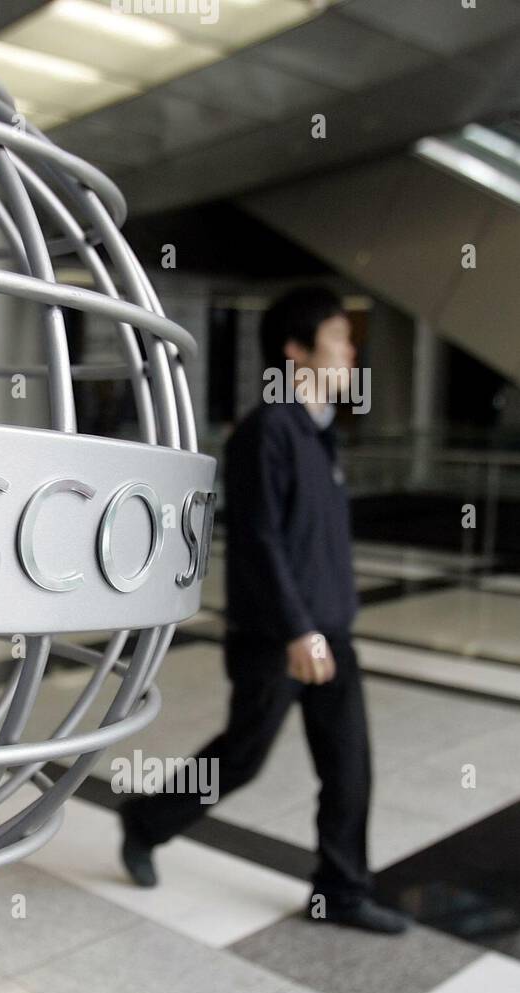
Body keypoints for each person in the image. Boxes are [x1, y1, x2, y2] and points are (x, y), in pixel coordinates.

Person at [119, 286, 409, 935]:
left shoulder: (321, 435)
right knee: (242, 758)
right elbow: (258, 540)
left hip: (331, 633)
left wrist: (330, 618)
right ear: (296, 351)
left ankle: (340, 891)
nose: (350, 351)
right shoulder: (266, 432)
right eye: (338, 340)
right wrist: (298, 627)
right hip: (278, 637)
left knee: (349, 767)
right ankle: (145, 821)